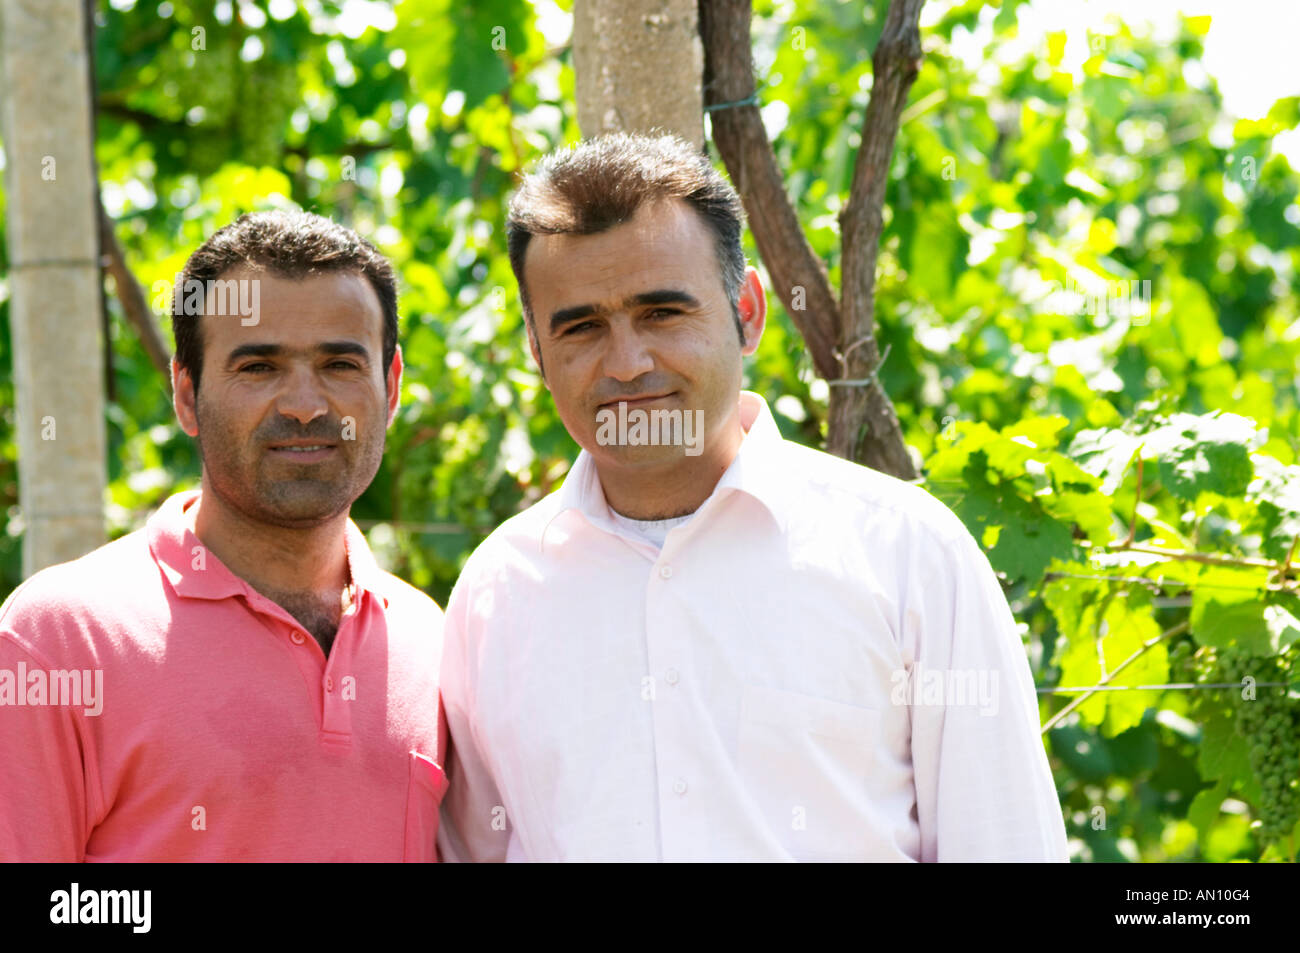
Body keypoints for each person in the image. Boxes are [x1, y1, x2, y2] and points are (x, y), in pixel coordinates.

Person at [437, 133, 1068, 862]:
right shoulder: (496, 594)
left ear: (748, 313)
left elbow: (1006, 843)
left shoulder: (908, 555)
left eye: (663, 314)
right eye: (581, 327)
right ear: (537, 353)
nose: (628, 362)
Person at [0, 210, 447, 861]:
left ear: (393, 385)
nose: (303, 404)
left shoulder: (434, 642)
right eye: (259, 367)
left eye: (340, 364)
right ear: (186, 393)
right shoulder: (59, 639)